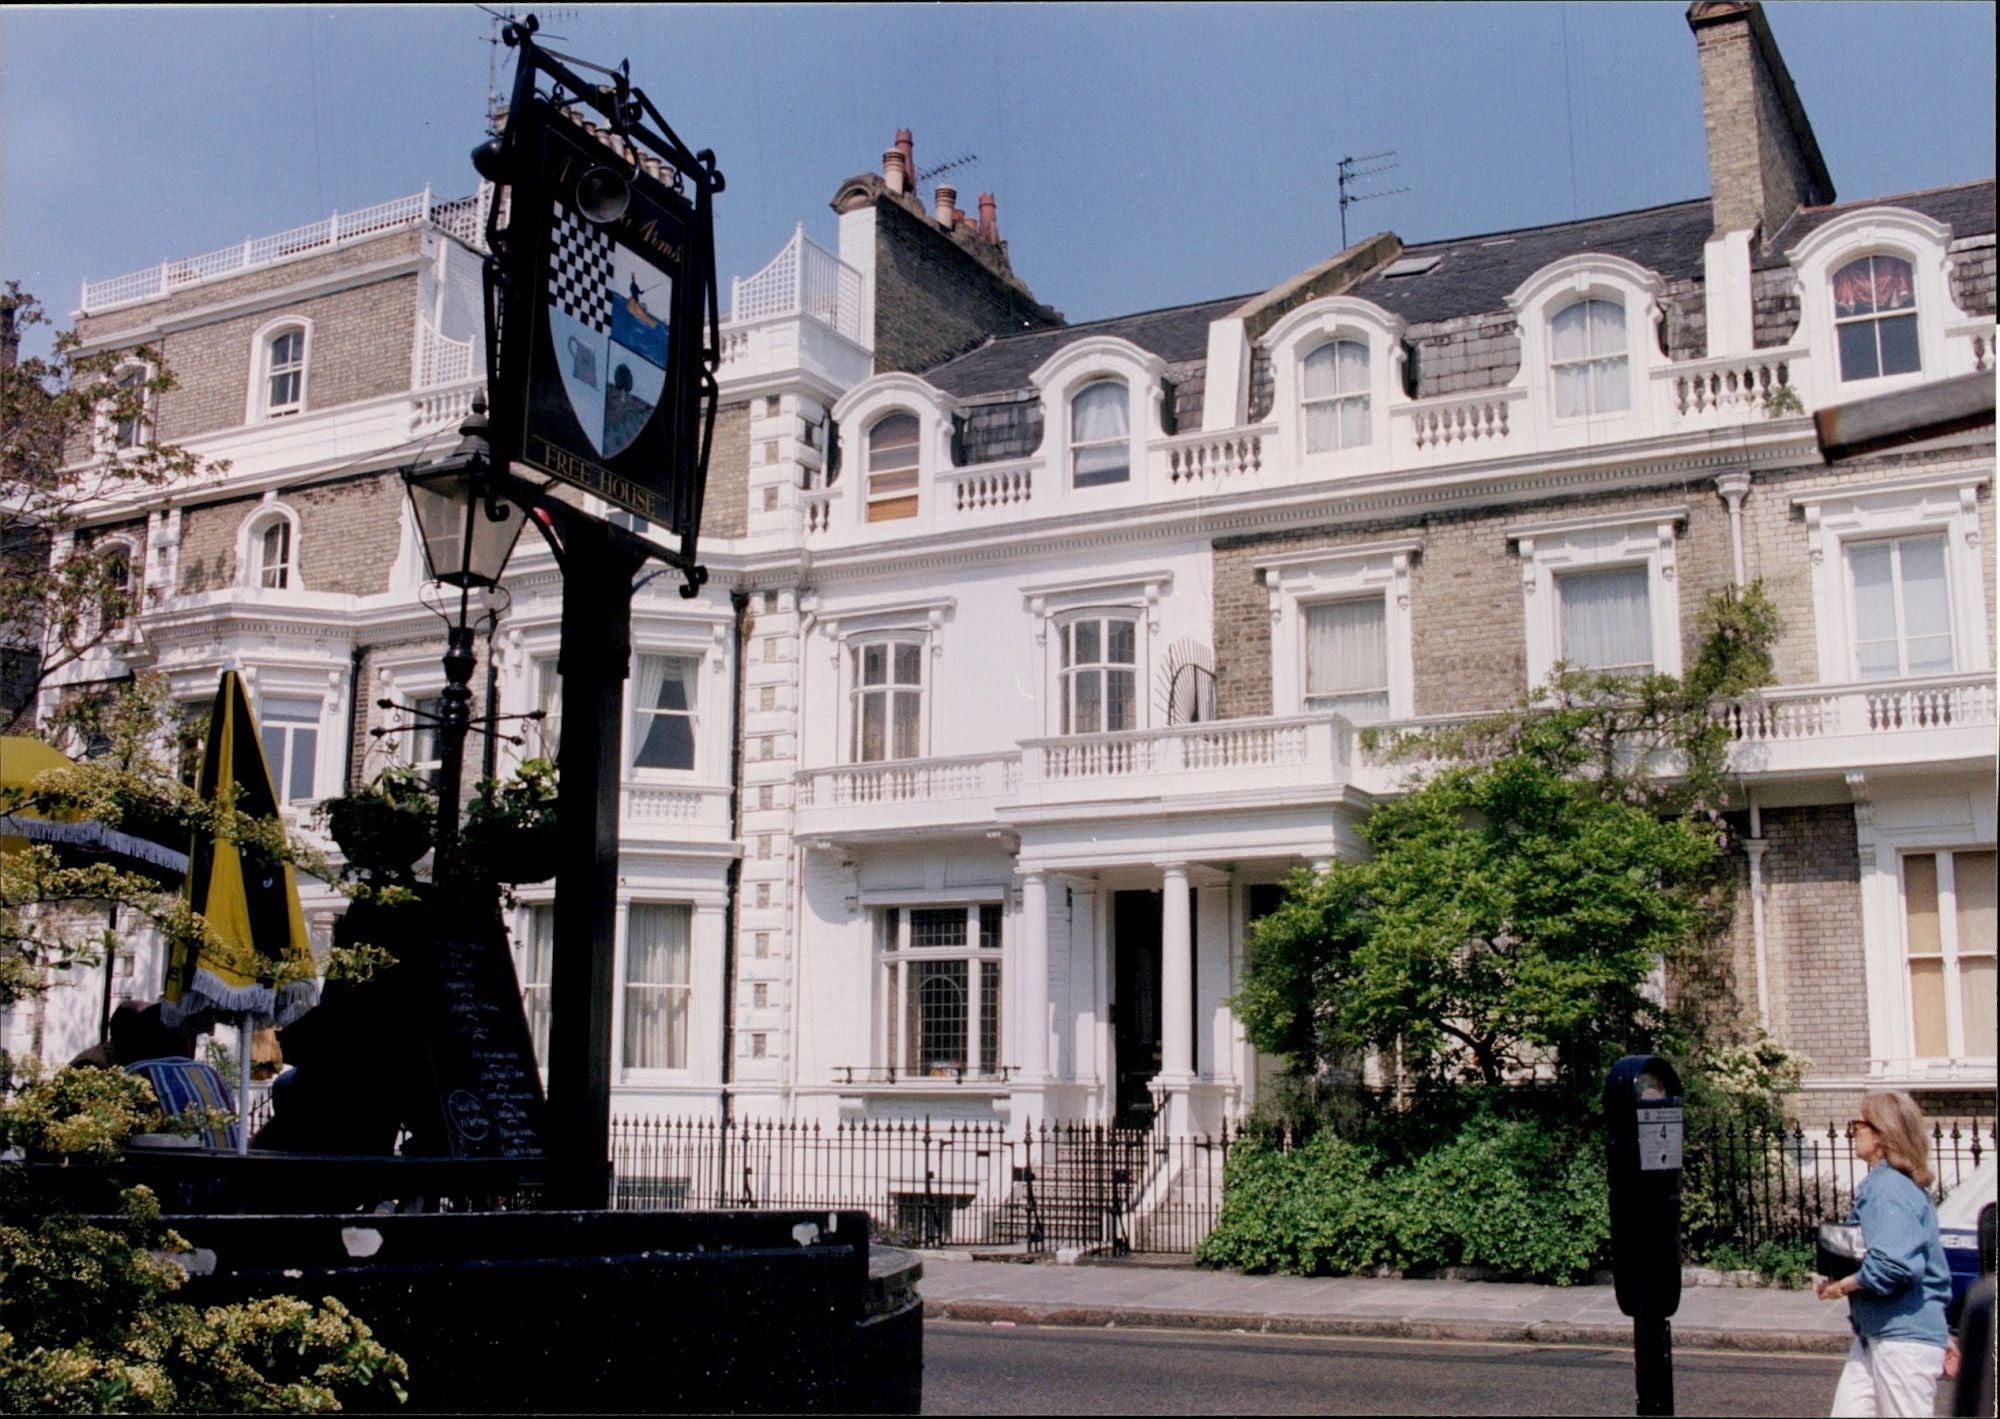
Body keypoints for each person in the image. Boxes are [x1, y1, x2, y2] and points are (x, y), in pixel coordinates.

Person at [1819, 1090, 1953, 1417]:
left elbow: (1894, 1265)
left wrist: (1841, 1286)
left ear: (1882, 1134)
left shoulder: (1888, 1188)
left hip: (1902, 1340)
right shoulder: (1894, 1186)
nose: (1853, 1132)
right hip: (1880, 1334)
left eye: (1858, 1124)